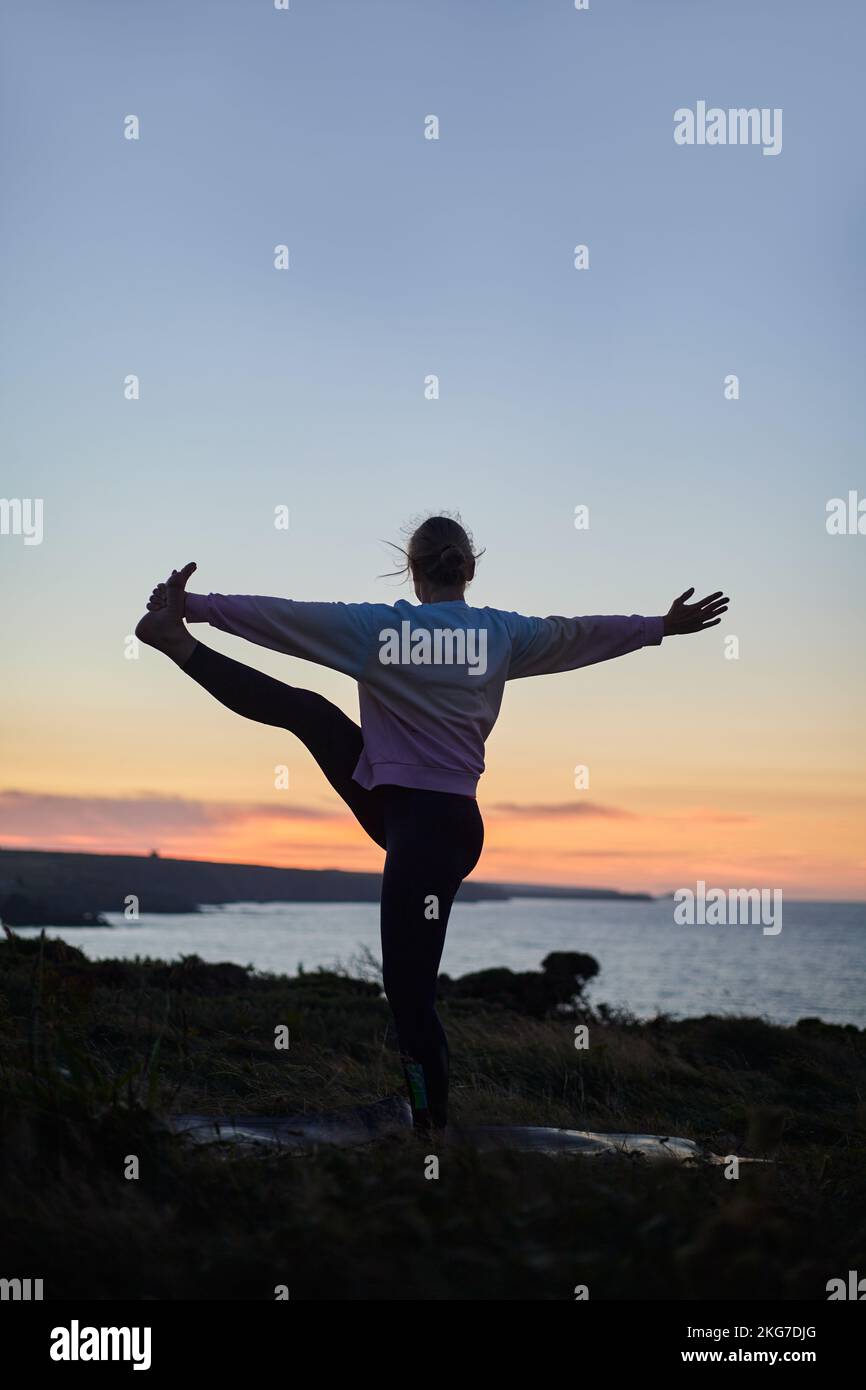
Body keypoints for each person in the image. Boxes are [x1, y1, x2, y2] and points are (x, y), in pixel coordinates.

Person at [135, 514, 728, 1132]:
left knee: (410, 996)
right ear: (469, 568)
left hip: (410, 826)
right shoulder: (502, 634)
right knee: (312, 715)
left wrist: (196, 605)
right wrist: (660, 626)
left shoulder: (379, 629)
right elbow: (578, 634)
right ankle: (176, 642)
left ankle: (432, 1133)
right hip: (439, 823)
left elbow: (288, 617)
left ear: (412, 570)